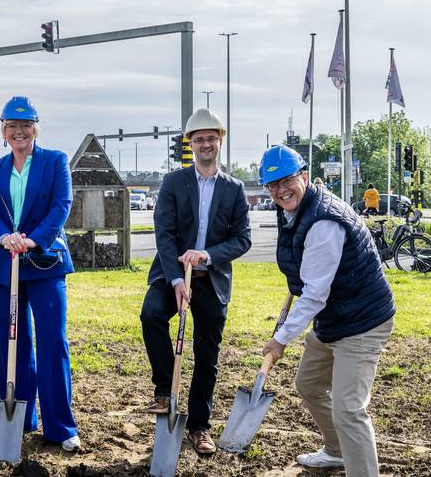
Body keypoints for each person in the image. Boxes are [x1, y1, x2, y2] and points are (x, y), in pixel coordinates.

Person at [258, 145, 395, 476]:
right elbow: (303, 268)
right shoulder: (293, 210)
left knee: (348, 408)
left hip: (363, 320)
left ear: (304, 176)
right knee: (309, 384)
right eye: (273, 185)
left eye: (287, 180)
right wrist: (295, 281)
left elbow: (316, 293)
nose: (280, 190)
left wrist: (281, 339)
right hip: (335, 317)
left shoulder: (324, 220)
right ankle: (336, 451)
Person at [140, 108, 251, 455]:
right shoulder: (174, 183)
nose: (205, 144)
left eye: (211, 138)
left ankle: (200, 427)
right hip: (171, 274)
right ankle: (164, 389)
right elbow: (165, 233)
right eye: (198, 138)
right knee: (151, 315)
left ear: (220, 141)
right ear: (190, 144)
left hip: (211, 279)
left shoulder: (234, 189)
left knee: (207, 355)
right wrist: (175, 279)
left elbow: (242, 239)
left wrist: (207, 255)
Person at [0, 96, 81, 452]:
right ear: (3, 131)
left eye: (25, 125)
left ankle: (60, 426)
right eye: (11, 126)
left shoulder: (55, 161)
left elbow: (60, 206)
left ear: (35, 128)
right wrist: (4, 236)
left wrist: (34, 241)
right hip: (5, 265)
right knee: (12, 343)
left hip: (45, 262)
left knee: (53, 342)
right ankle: (20, 418)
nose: (18, 132)